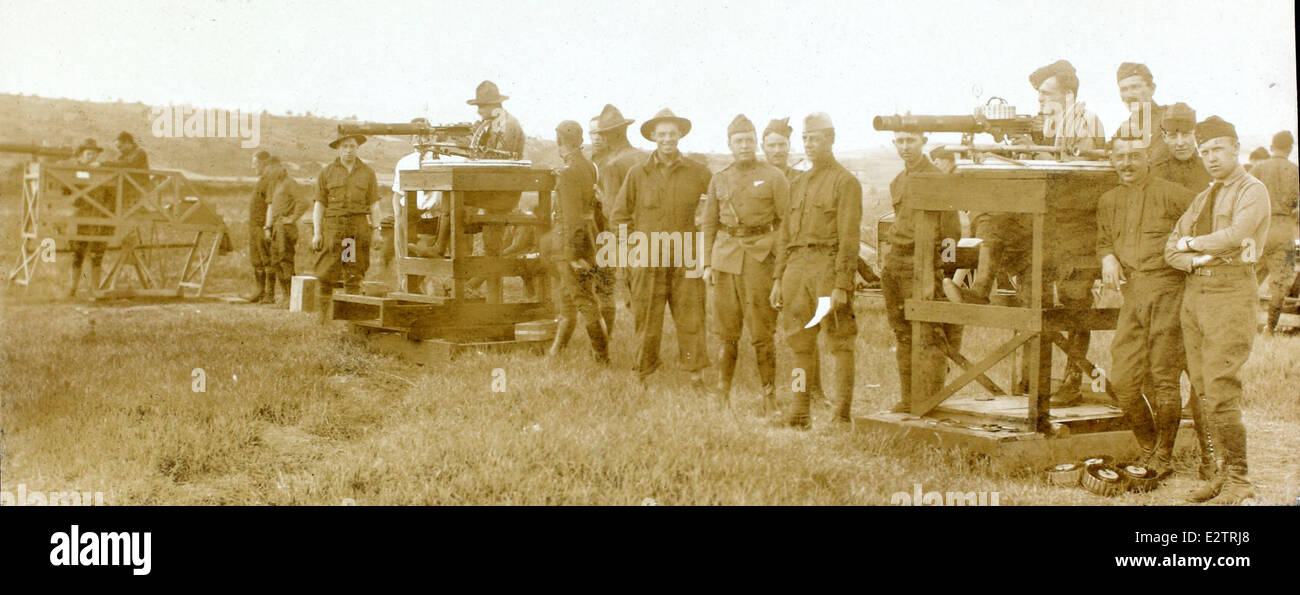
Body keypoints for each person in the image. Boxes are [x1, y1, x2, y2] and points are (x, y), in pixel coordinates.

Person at [1165, 116, 1269, 504]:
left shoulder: (1252, 189)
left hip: (1231, 291)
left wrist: (1190, 243)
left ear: (1236, 148)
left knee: (1221, 388)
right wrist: (1193, 256)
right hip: (1196, 292)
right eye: (1204, 151)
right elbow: (1170, 248)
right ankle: (1218, 474)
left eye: (1217, 150)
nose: (1210, 157)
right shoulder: (1204, 196)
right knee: (1203, 390)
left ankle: (1240, 479)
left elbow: (1237, 235)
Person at [1097, 136, 1196, 480]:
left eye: (1135, 156)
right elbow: (1104, 238)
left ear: (1148, 159)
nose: (1127, 163)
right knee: (1123, 379)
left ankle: (1163, 456)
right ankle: (1148, 447)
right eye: (1120, 156)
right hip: (1133, 293)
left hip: (1169, 290)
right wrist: (1107, 256)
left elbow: (1204, 224)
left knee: (1164, 377)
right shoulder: (1109, 200)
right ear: (1112, 160)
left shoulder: (1174, 194)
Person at [770, 112, 861, 428]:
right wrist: (778, 278)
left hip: (827, 269)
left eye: (816, 138)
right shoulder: (798, 184)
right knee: (799, 343)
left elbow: (849, 238)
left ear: (831, 139)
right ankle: (799, 412)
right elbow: (785, 235)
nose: (809, 144)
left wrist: (842, 284)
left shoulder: (845, 182)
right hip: (796, 270)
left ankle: (841, 415)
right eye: (806, 138)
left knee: (840, 343)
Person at [611, 108, 712, 390]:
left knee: (691, 316)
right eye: (662, 133)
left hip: (687, 256)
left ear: (680, 135)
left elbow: (717, 206)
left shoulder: (698, 172)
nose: (668, 138)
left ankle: (695, 375)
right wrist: (630, 252)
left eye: (673, 133)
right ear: (654, 136)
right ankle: (643, 373)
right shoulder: (637, 173)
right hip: (647, 256)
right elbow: (619, 216)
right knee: (647, 317)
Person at [701, 114, 790, 414]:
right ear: (729, 145)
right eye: (738, 141)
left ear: (756, 143)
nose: (744, 146)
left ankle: (769, 396)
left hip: (760, 258)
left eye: (749, 140)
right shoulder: (719, 178)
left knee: (762, 332)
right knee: (727, 332)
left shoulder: (775, 176)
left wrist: (778, 269)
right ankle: (721, 393)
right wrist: (707, 263)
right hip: (725, 260)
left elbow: (786, 224)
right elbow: (709, 224)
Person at [883, 130, 962, 414]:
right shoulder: (898, 181)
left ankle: (929, 401)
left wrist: (943, 271)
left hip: (923, 266)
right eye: (899, 141)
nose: (905, 146)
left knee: (928, 335)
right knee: (903, 334)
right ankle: (909, 400)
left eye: (911, 140)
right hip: (896, 264)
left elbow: (951, 233)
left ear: (923, 142)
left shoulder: (938, 180)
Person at [547, 121, 609, 364]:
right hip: (589, 236)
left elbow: (572, 217)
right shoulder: (589, 167)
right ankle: (555, 352)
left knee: (582, 298)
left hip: (571, 242)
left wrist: (573, 255)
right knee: (567, 296)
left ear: (560, 142)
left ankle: (602, 357)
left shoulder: (569, 172)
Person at [311, 133, 383, 321]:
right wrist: (317, 233)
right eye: (345, 146)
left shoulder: (367, 172)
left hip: (355, 230)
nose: (349, 150)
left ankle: (352, 320)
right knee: (327, 272)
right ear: (338, 148)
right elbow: (319, 205)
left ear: (357, 148)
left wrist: (377, 231)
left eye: (352, 146)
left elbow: (374, 204)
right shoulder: (326, 172)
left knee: (353, 271)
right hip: (334, 229)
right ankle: (323, 319)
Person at [589, 104, 647, 334]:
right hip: (652, 231)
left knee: (629, 291)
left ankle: (641, 350)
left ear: (607, 135)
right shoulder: (643, 157)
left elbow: (612, 212)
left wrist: (601, 198)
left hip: (626, 237)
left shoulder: (612, 166)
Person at [1250, 131, 1299, 333]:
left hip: (1261, 228)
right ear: (1290, 148)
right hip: (1284, 228)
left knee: (1251, 278)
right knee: (1279, 283)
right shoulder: (1295, 171)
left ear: (1272, 146)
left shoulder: (1258, 168)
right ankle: (1270, 329)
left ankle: (1246, 323)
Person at [62, 139, 111, 299]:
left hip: (99, 215)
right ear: (82, 155)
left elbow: (110, 191)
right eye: (89, 154)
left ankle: (94, 290)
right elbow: (67, 190)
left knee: (97, 253)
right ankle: (73, 289)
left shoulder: (101, 169)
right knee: (78, 253)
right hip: (81, 216)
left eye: (94, 154)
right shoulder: (75, 168)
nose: (92, 157)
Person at [264, 157, 307, 307]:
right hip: (276, 228)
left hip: (285, 228)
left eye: (272, 169)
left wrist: (292, 218)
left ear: (280, 167)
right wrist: (268, 227)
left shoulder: (290, 182)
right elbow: (271, 207)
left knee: (286, 261)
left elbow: (303, 202)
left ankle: (291, 298)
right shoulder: (275, 184)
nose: (270, 173)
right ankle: (285, 296)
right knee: (276, 262)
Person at [1113, 62, 1169, 165]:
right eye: (1124, 89)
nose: (1129, 95)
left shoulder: (1169, 117)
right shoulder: (1125, 128)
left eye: (1135, 87)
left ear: (1152, 89)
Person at [1153, 103, 1212, 192]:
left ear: (1196, 134)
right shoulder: (1154, 173)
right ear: (1165, 137)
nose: (1180, 143)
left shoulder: (1210, 169)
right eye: (1173, 136)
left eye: (1186, 134)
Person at [242, 151, 274, 303]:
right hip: (254, 226)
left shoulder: (270, 181)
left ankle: (269, 294)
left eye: (255, 163)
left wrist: (267, 226)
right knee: (256, 259)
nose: (253, 166)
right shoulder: (261, 180)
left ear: (264, 163)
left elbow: (270, 205)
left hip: (262, 226)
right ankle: (259, 291)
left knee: (266, 259)